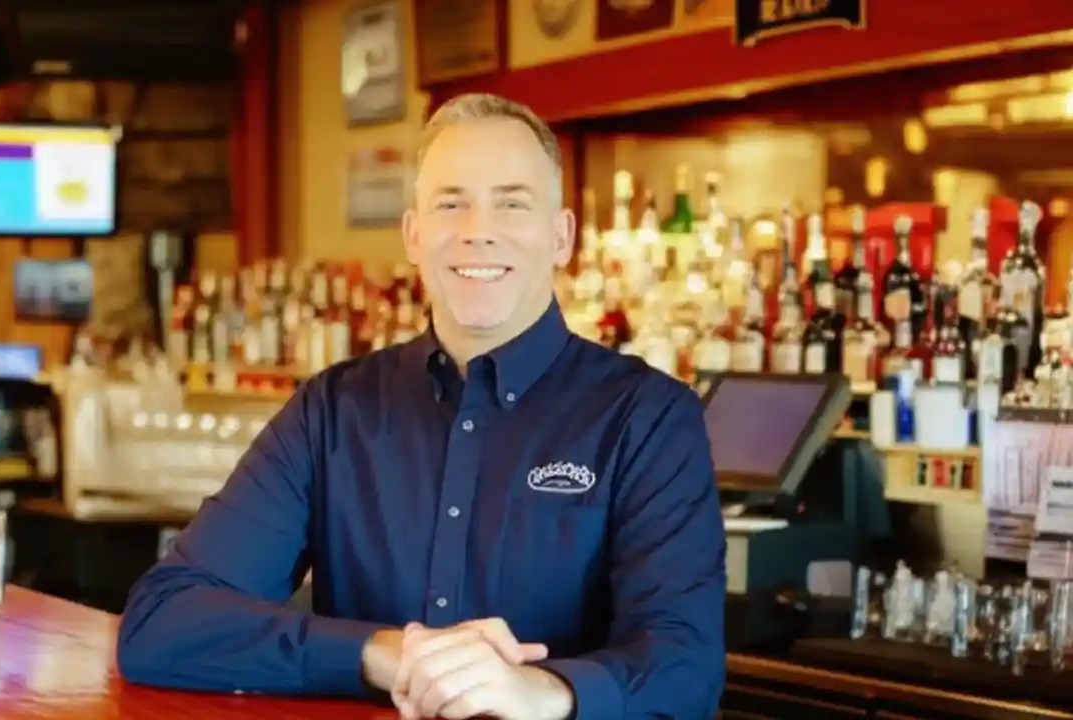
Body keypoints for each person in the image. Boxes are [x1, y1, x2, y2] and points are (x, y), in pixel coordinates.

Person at [117, 92, 727, 719]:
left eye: (512, 203)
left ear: (561, 236)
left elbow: (686, 666)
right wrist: (385, 653)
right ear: (413, 234)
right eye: (450, 203)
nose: (477, 230)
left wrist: (541, 692)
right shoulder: (332, 411)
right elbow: (162, 621)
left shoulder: (649, 417)